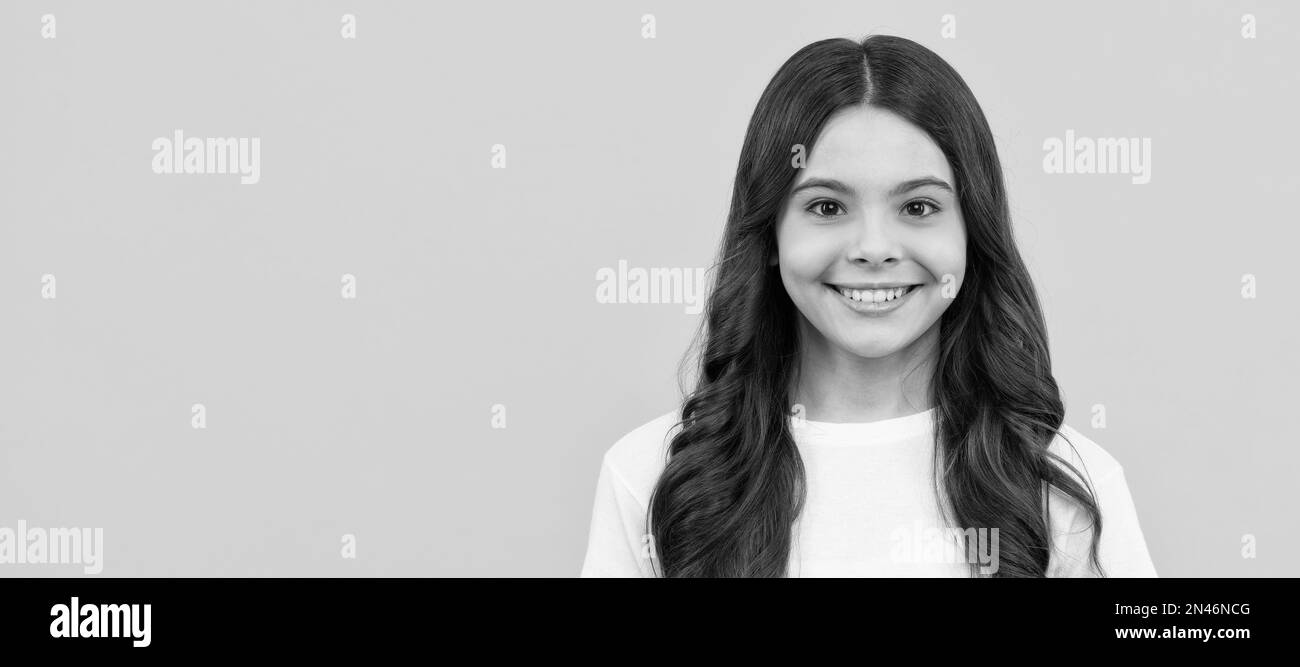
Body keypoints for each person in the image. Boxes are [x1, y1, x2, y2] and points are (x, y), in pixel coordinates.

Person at [580, 34, 1157, 577]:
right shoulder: (649, 478)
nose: (874, 249)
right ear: (771, 238)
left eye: (919, 207)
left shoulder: (1065, 485)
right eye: (828, 207)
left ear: (972, 233)